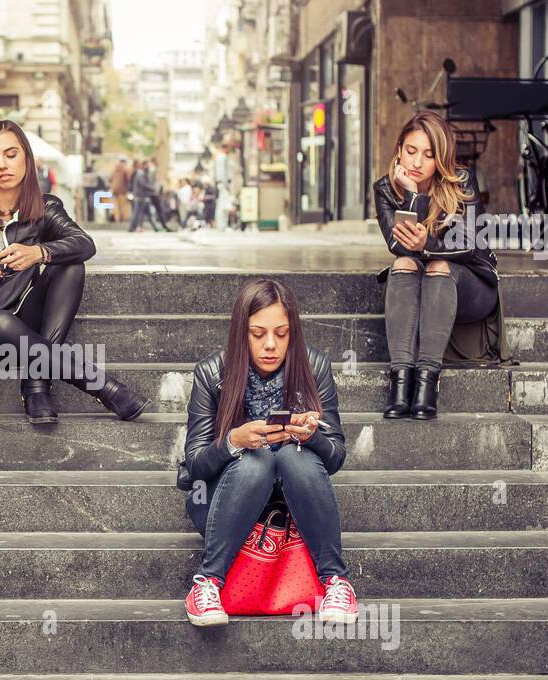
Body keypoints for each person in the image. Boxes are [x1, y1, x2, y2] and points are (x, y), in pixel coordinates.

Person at [0, 119, 149, 424]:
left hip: (17, 323)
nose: (2, 165)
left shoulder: (45, 208)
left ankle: (36, 385)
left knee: (70, 266)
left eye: (10, 155)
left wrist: (38, 252)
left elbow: (84, 244)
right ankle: (103, 387)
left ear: (26, 158)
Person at [178, 277, 356, 627]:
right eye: (258, 334)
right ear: (241, 333)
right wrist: (234, 441)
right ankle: (207, 582)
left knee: (293, 455)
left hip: (292, 506)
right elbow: (195, 467)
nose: (270, 345)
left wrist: (310, 437)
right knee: (255, 461)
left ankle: (336, 580)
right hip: (226, 501)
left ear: (294, 332)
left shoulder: (314, 367)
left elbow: (334, 456)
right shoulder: (211, 373)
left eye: (282, 333)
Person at [373, 111, 509, 421]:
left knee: (437, 266)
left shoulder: (462, 182)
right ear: (398, 149)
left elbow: (470, 245)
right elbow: (399, 245)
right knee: (404, 262)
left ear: (441, 160)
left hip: (471, 286)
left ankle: (427, 384)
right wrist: (411, 195)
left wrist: (429, 246)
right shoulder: (384, 189)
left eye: (428, 155)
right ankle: (401, 384)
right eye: (410, 151)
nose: (417, 162)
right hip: (420, 286)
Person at [108, 156, 132, 225]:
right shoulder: (126, 169)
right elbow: (129, 179)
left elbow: (110, 179)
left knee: (116, 205)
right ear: (125, 161)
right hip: (122, 190)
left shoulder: (115, 169)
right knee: (123, 205)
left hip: (114, 190)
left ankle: (117, 219)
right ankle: (124, 220)